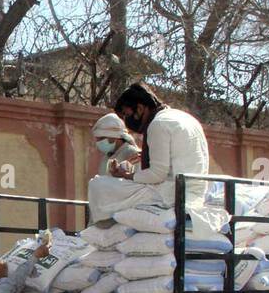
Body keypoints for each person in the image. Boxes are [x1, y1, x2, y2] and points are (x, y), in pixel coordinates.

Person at [87, 83, 210, 223]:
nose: (128, 121)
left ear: (140, 108)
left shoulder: (158, 124)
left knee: (97, 185)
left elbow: (157, 174)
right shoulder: (184, 117)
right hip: (193, 193)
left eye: (128, 115)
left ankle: (103, 227)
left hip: (171, 194)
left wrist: (126, 176)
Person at [90, 111, 143, 175]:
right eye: (97, 139)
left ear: (115, 136)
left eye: (102, 138)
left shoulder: (133, 154)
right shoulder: (107, 157)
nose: (99, 142)